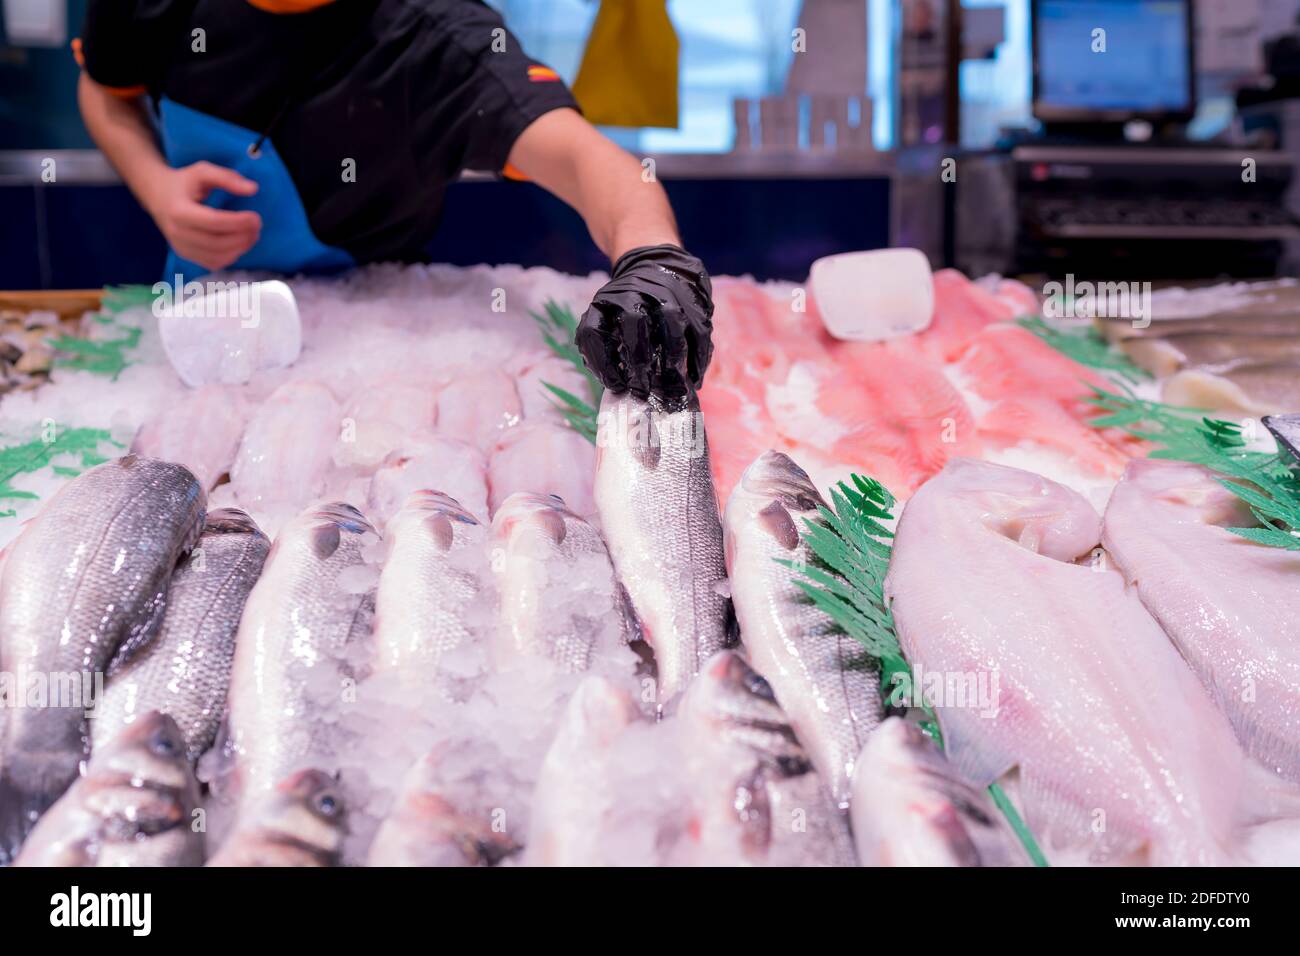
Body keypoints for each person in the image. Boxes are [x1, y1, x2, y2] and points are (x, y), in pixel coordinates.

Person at [75, 0, 713, 401]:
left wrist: (652, 257)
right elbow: (105, 90)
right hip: (197, 316)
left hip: (369, 349)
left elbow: (583, 158)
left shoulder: (438, 34)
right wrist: (156, 187)